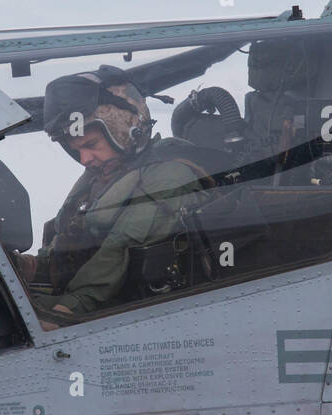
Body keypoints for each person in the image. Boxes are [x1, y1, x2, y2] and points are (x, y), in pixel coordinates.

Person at [14, 66, 207, 325]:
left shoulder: (169, 177)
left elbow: (118, 251)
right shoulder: (105, 173)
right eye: (76, 150)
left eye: (91, 145)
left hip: (127, 313)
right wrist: (24, 267)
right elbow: (70, 239)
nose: (84, 159)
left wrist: (61, 315)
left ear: (126, 129)